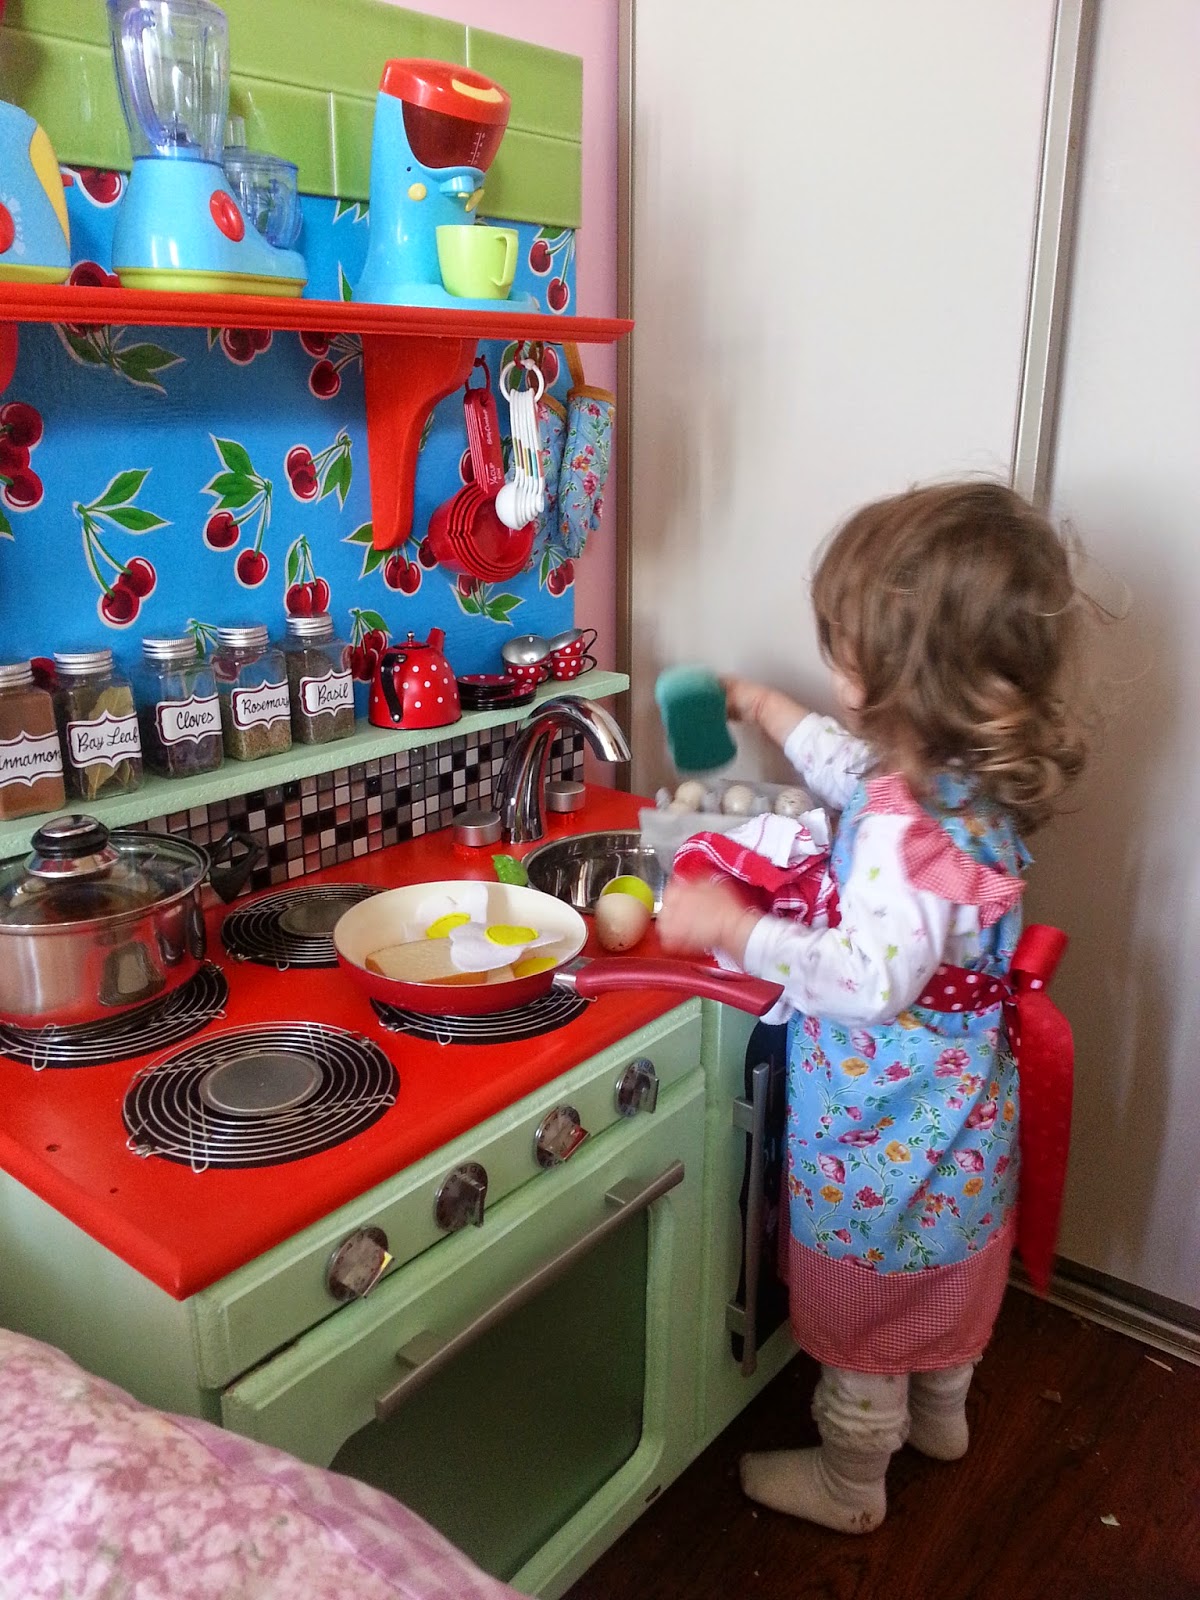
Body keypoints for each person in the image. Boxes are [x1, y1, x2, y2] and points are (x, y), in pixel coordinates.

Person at [658, 480, 1090, 1534]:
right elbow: (860, 776)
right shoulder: (961, 779)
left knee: (873, 1307)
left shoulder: (906, 832)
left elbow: (863, 978)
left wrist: (733, 928)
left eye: (846, 654)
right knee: (943, 1278)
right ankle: (943, 1418)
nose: (836, 671)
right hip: (960, 1105)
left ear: (911, 679)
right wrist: (768, 709)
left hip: (886, 1123)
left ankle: (852, 1483)